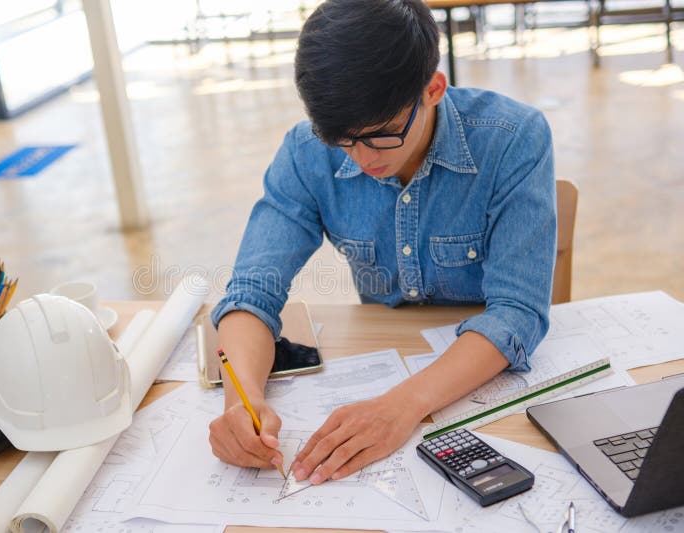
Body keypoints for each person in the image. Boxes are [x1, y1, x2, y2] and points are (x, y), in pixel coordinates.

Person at [208, 0, 556, 486]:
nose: (363, 157)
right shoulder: (307, 152)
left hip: (481, 384)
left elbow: (517, 312)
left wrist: (403, 405)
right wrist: (240, 401)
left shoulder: (513, 139)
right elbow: (251, 291)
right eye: (343, 141)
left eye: (381, 136)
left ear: (433, 89)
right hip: (385, 353)